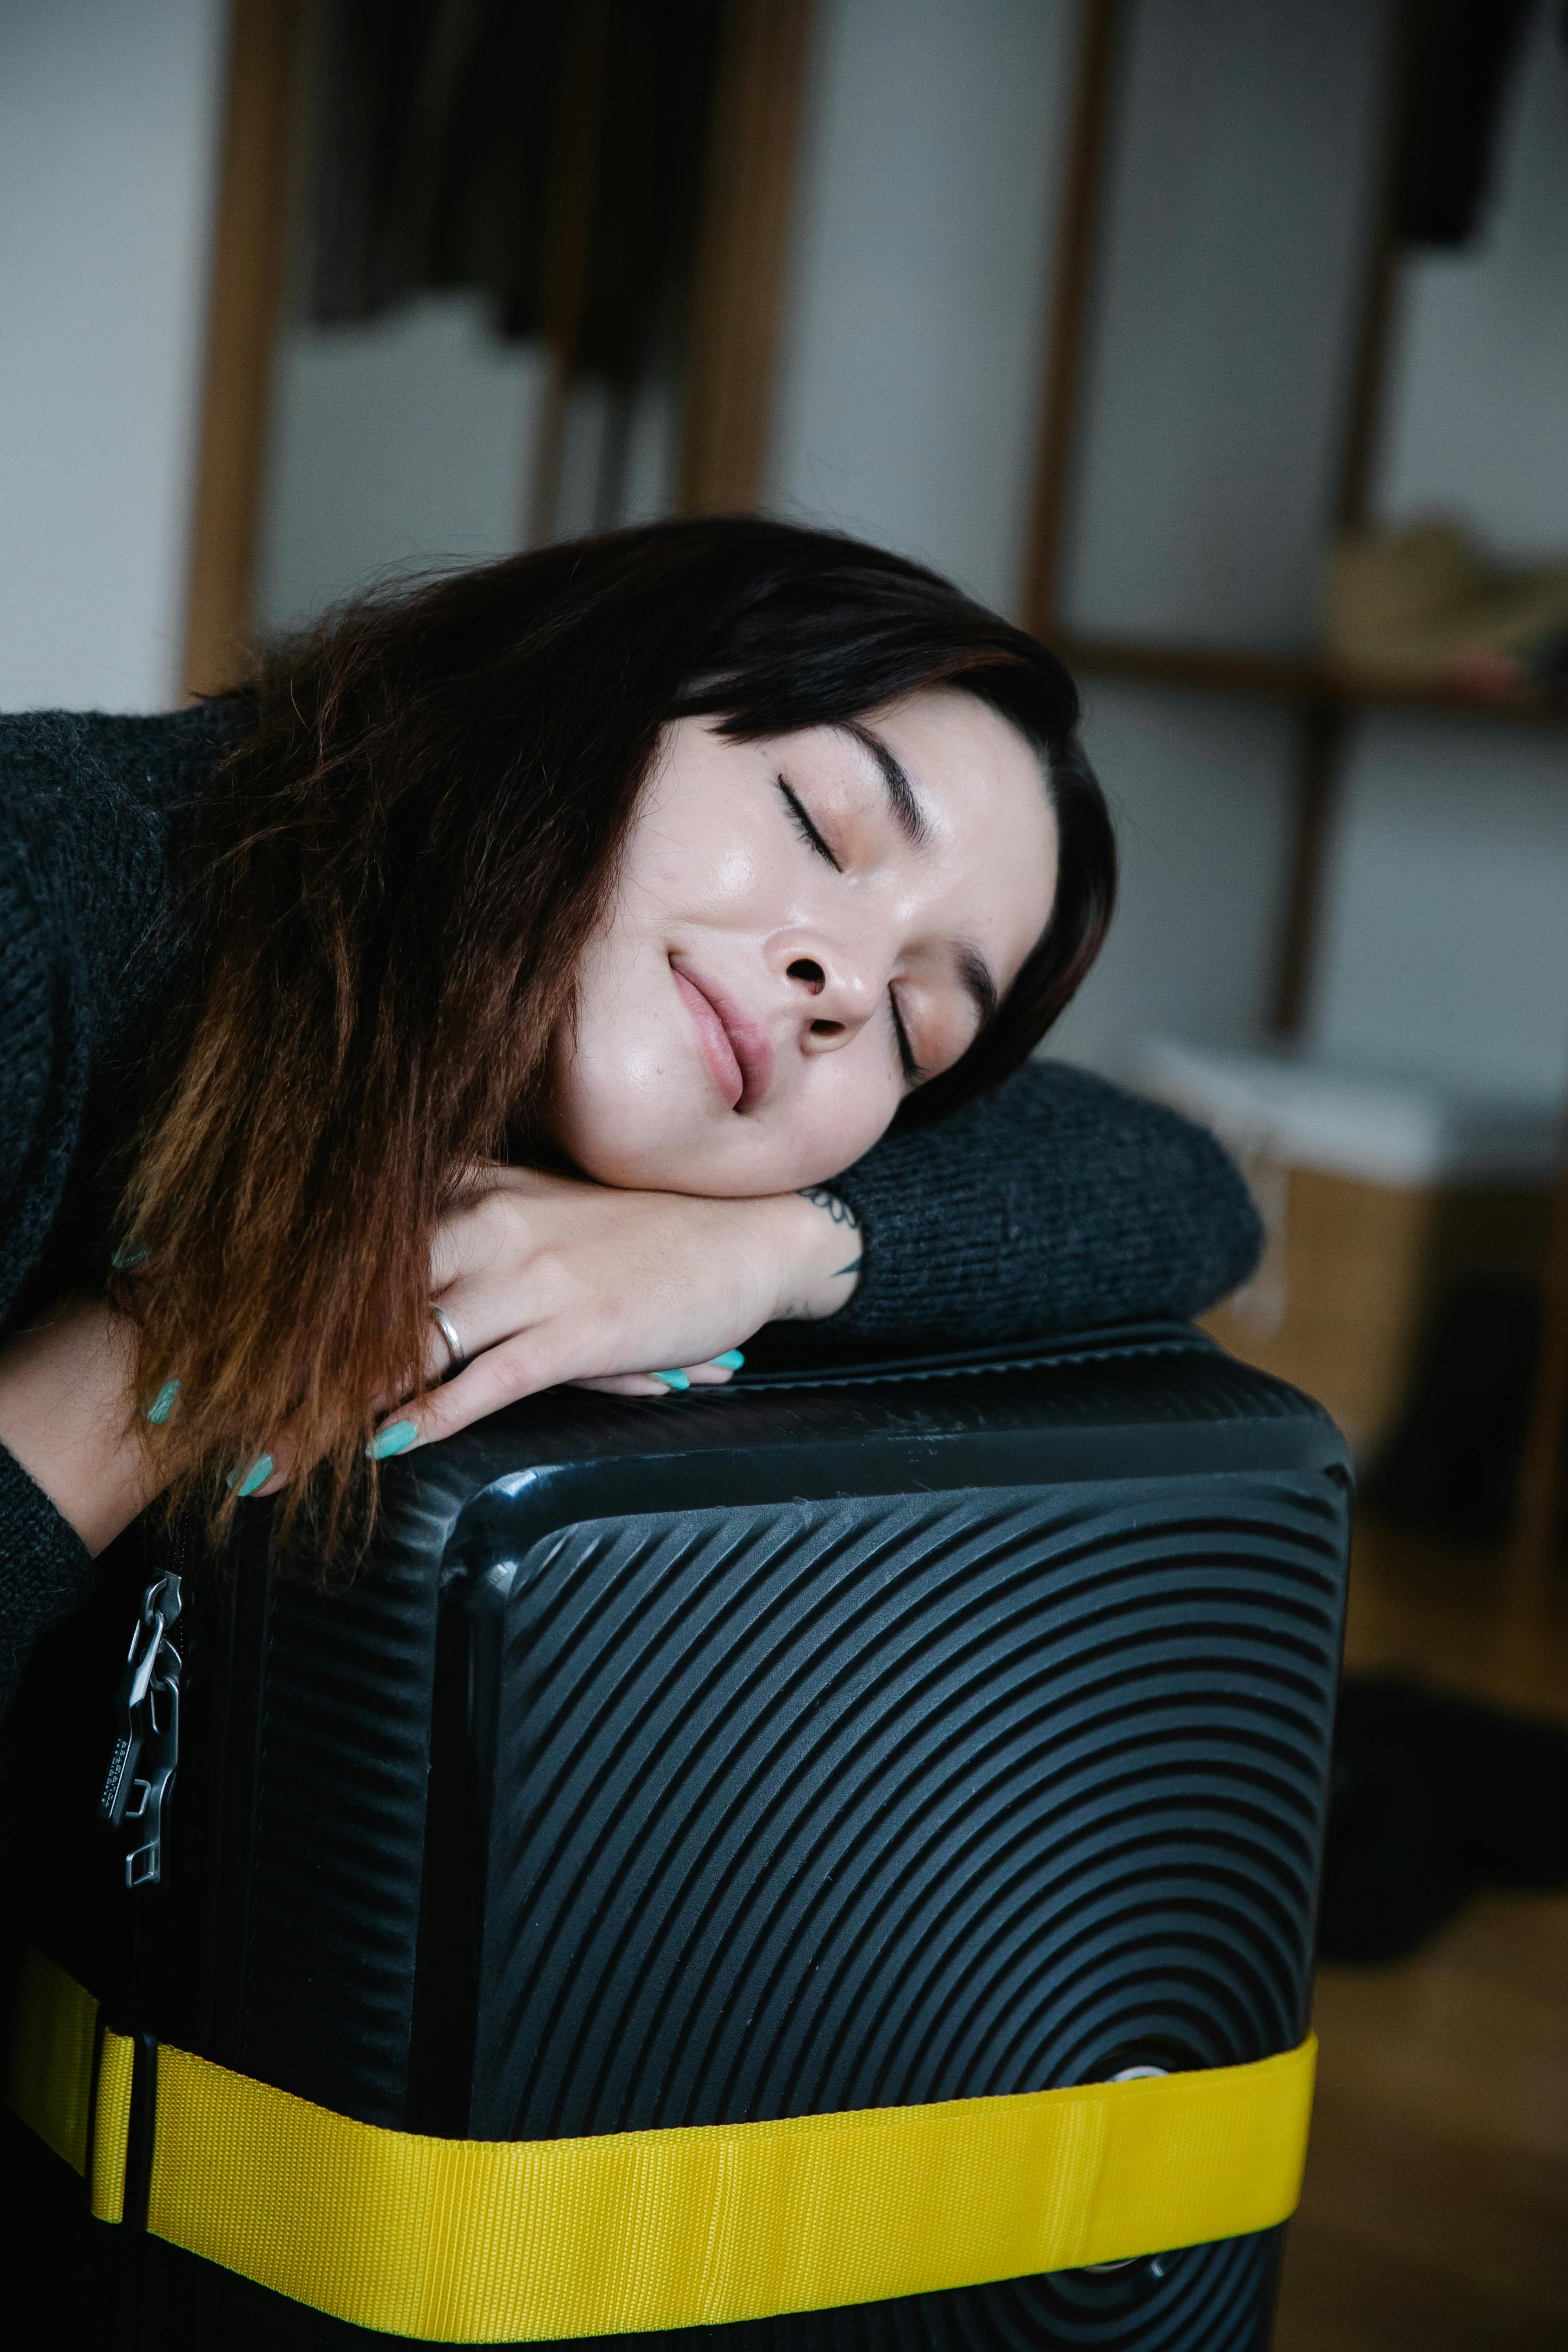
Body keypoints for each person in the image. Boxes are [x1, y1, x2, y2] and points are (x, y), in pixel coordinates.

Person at [0, 518, 1259, 1726]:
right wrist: (131, 1371)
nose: (847, 987)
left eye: (914, 1027)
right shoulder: (35, 910)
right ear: (594, 684)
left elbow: (1187, 1190)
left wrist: (766, 1249)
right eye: (820, 821)